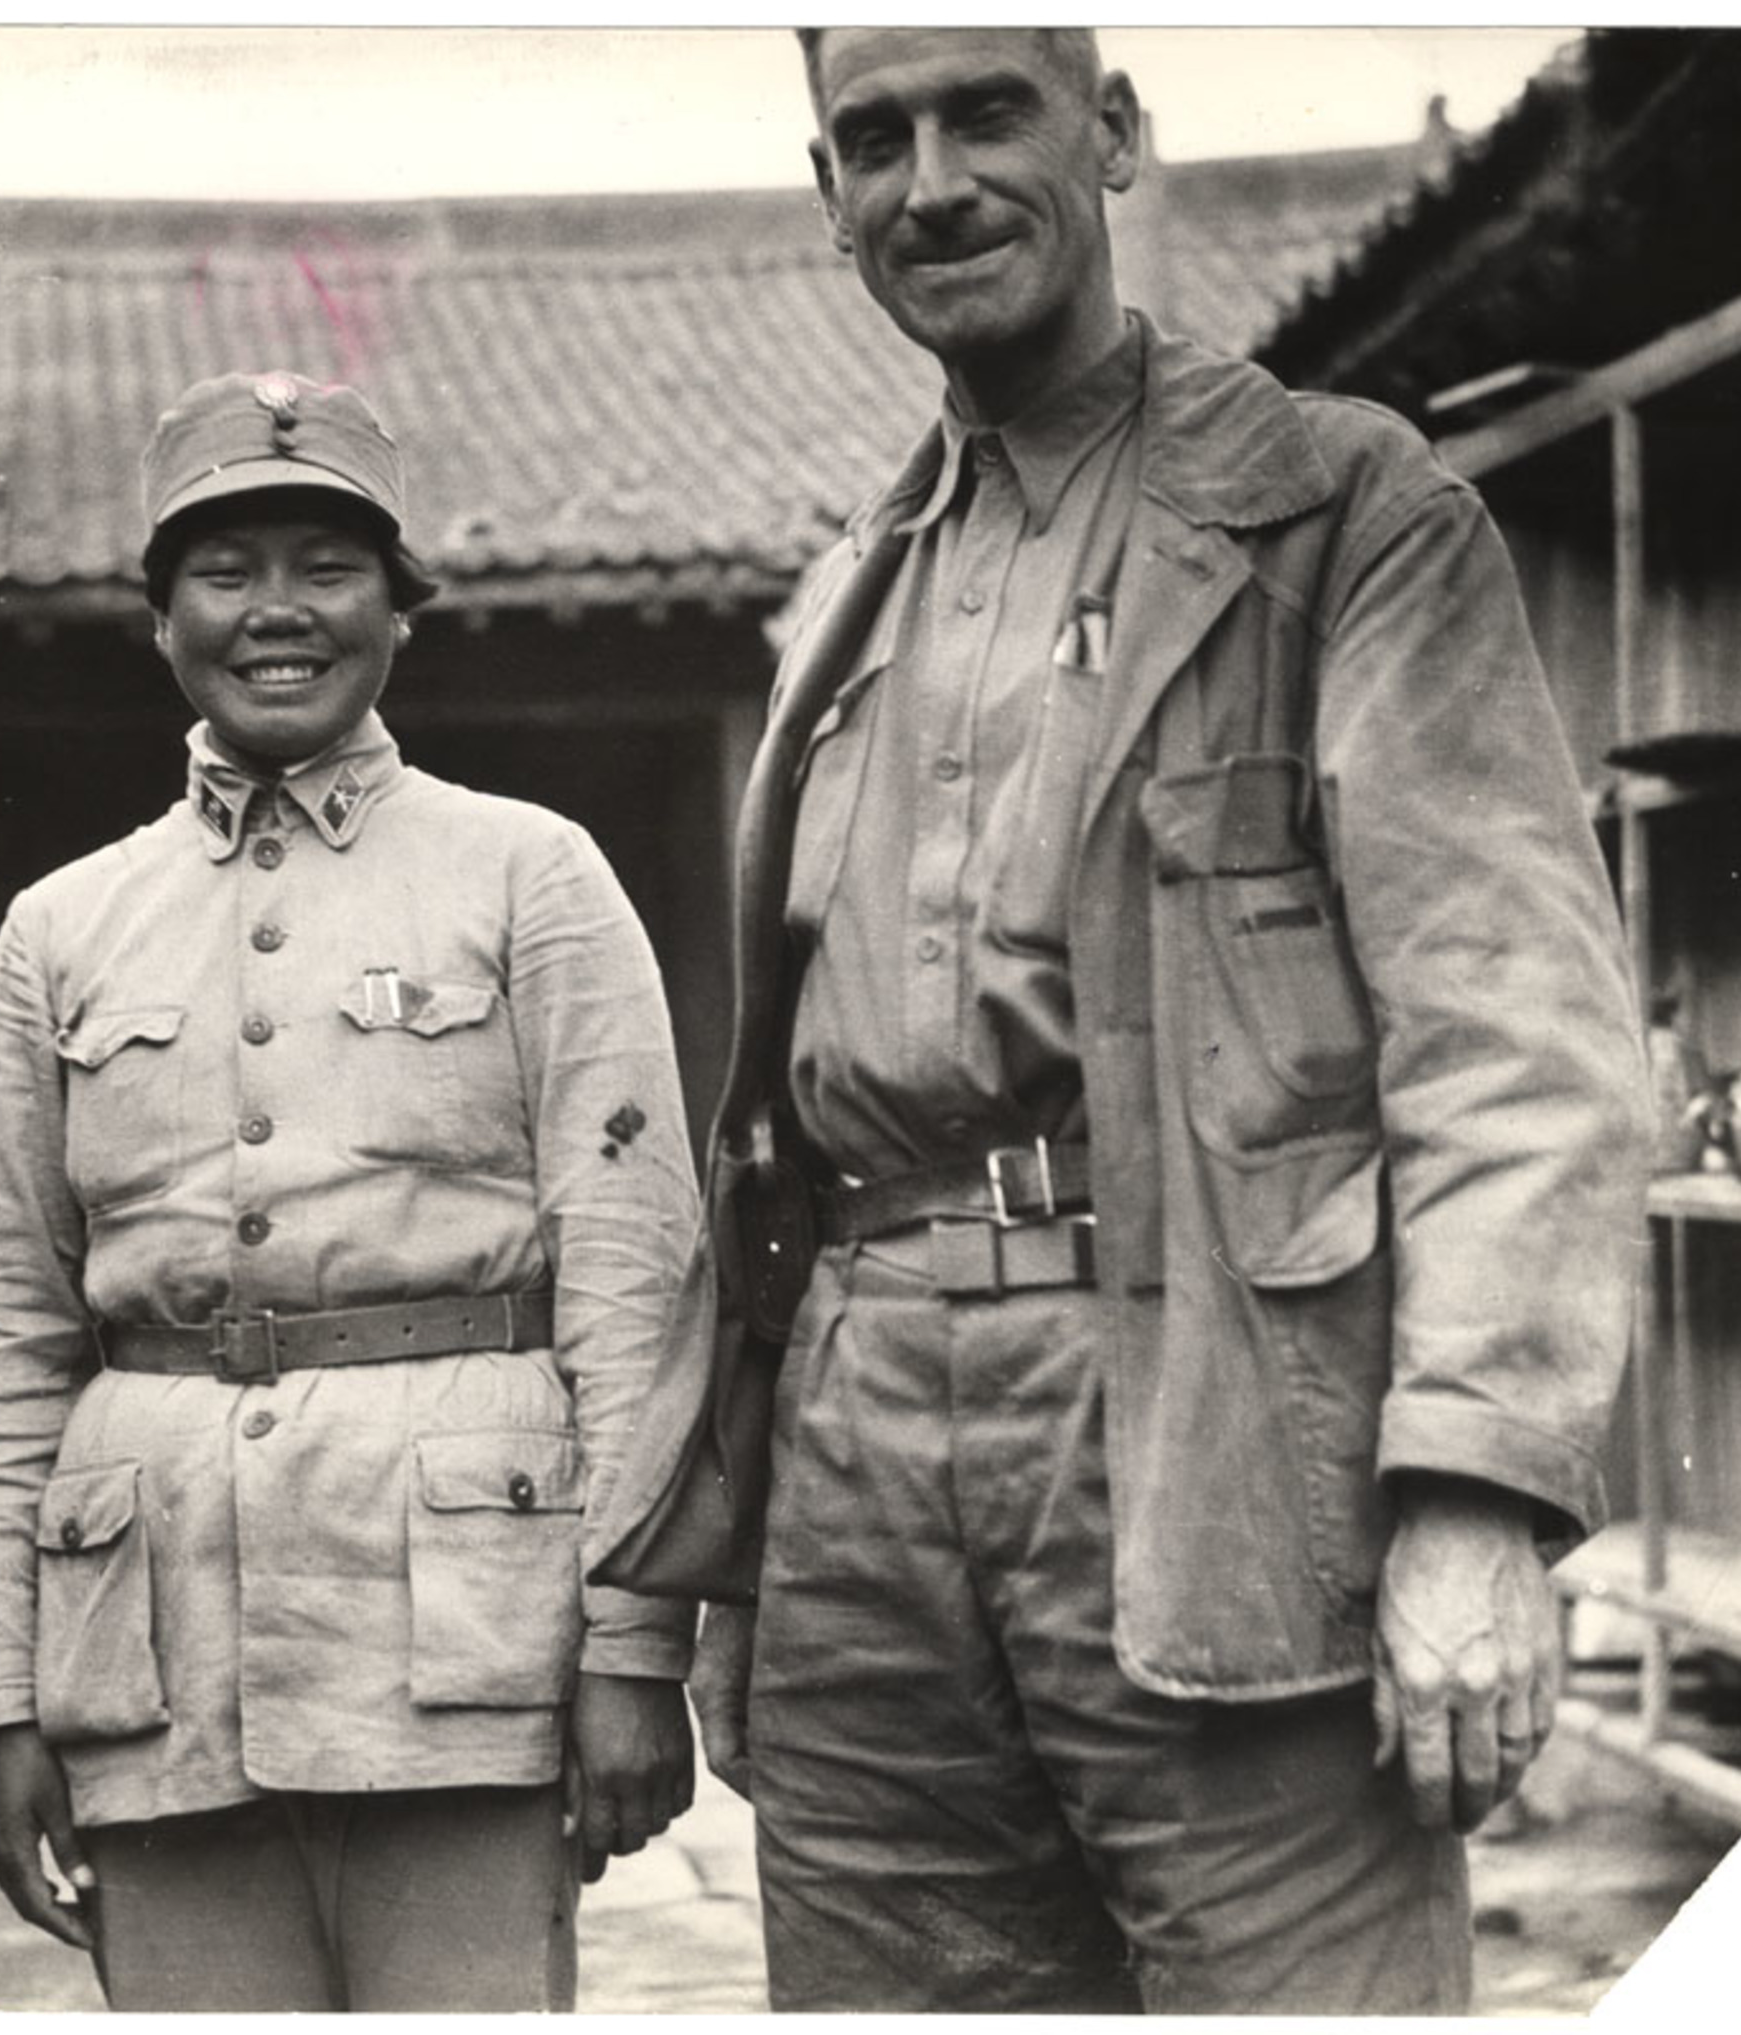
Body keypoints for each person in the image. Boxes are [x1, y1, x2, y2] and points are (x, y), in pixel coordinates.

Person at [587, 27, 1647, 2016]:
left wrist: (1472, 1498)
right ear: (827, 195)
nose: (932, 184)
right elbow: (775, 1129)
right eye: (873, 139)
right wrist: (722, 1554)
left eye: (987, 111)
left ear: (1116, 133)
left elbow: (1513, 1035)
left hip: (1213, 1415)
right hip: (857, 1451)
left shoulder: (1339, 514)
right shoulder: (843, 602)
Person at [0, 370, 700, 2012]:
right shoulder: (61, 928)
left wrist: (636, 1649)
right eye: (224, 571)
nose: (277, 611)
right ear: (160, 619)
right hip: (151, 1650)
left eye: (328, 567)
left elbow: (637, 1289)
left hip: (465, 1647)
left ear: (400, 608)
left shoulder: (532, 875)